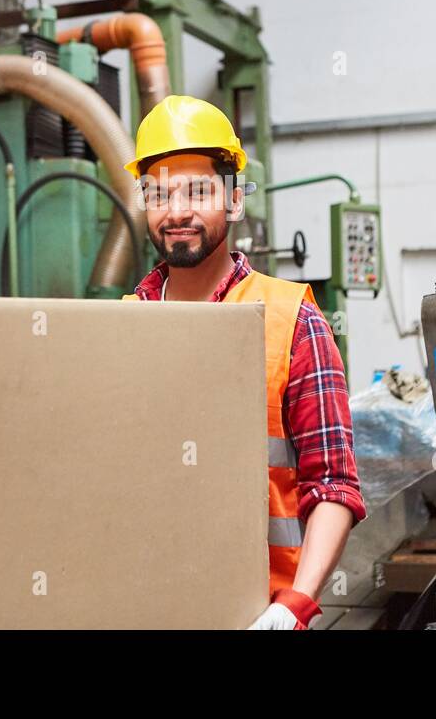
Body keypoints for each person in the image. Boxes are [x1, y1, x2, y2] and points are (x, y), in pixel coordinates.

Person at [123, 95, 365, 630]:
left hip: (263, 614)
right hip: (149, 606)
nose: (177, 210)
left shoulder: (291, 318)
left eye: (198, 191)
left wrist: (295, 605)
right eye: (158, 193)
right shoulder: (121, 325)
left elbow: (332, 484)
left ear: (234, 200)